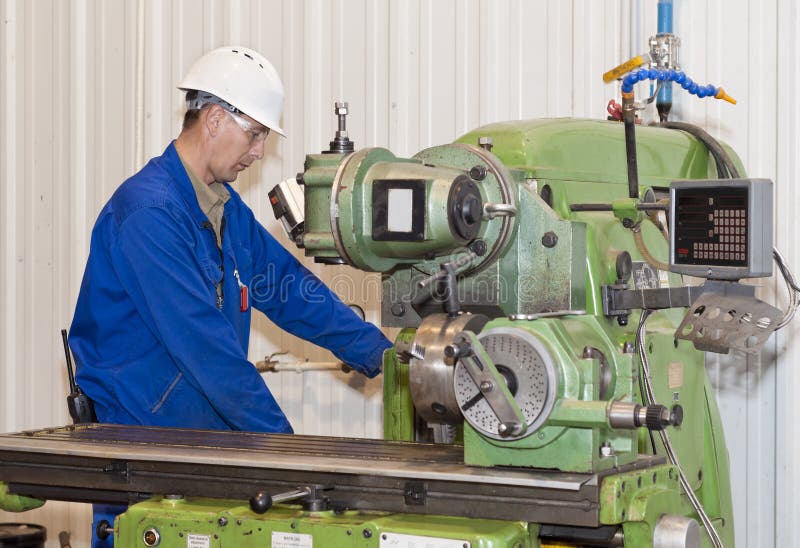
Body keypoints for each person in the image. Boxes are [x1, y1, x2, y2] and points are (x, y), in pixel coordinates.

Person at [68, 46, 392, 547]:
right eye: (257, 133)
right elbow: (208, 352)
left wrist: (382, 355)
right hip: (144, 454)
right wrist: (287, 454)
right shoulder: (148, 215)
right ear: (216, 119)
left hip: (202, 445)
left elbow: (290, 289)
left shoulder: (223, 208)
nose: (260, 151)